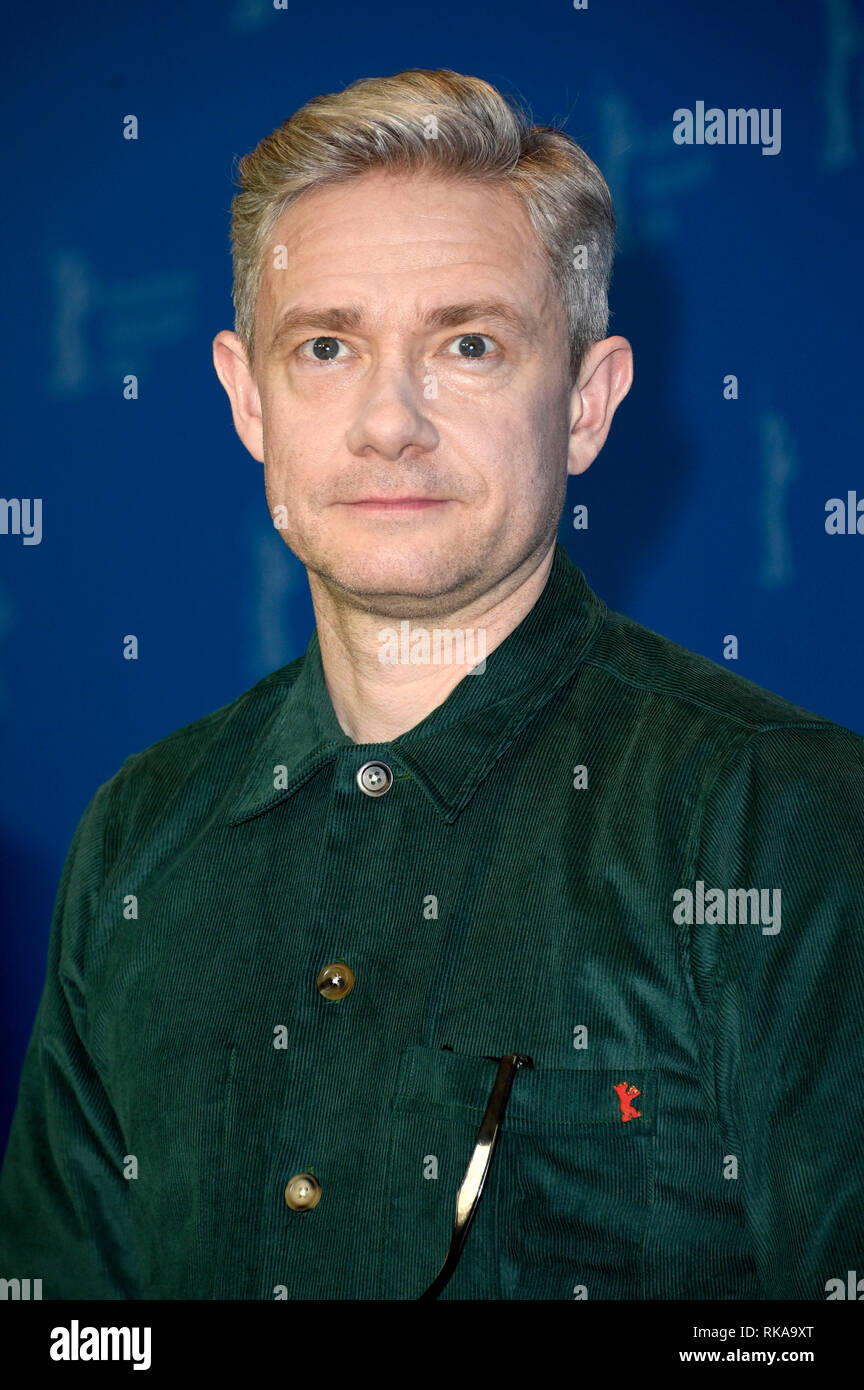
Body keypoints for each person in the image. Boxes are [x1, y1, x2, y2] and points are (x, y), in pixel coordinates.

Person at [1, 67, 862, 1302]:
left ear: (586, 404)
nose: (390, 420)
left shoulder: (791, 824)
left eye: (468, 344)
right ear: (251, 401)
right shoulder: (140, 836)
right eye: (329, 346)